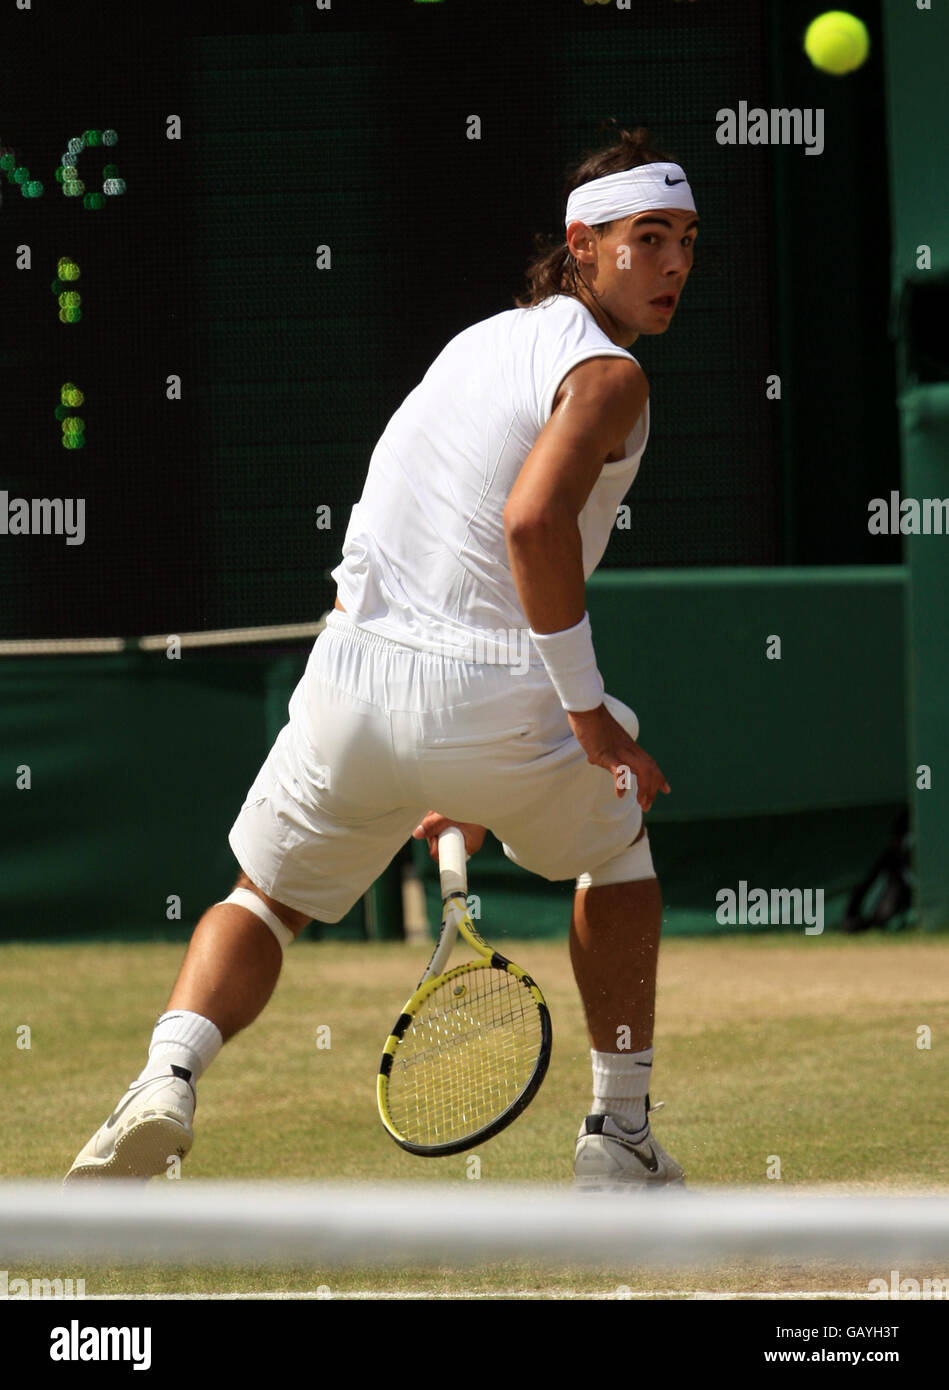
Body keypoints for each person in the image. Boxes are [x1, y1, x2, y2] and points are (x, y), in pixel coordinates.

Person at [65, 123, 697, 1191]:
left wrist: (443, 756)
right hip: (495, 689)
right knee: (618, 848)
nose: (675, 262)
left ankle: (164, 1077)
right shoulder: (610, 378)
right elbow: (534, 526)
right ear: (581, 246)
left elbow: (394, 509)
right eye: (647, 237)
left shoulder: (471, 346)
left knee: (262, 897)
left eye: (686, 239)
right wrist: (586, 718)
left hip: (351, 678)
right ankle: (620, 1138)